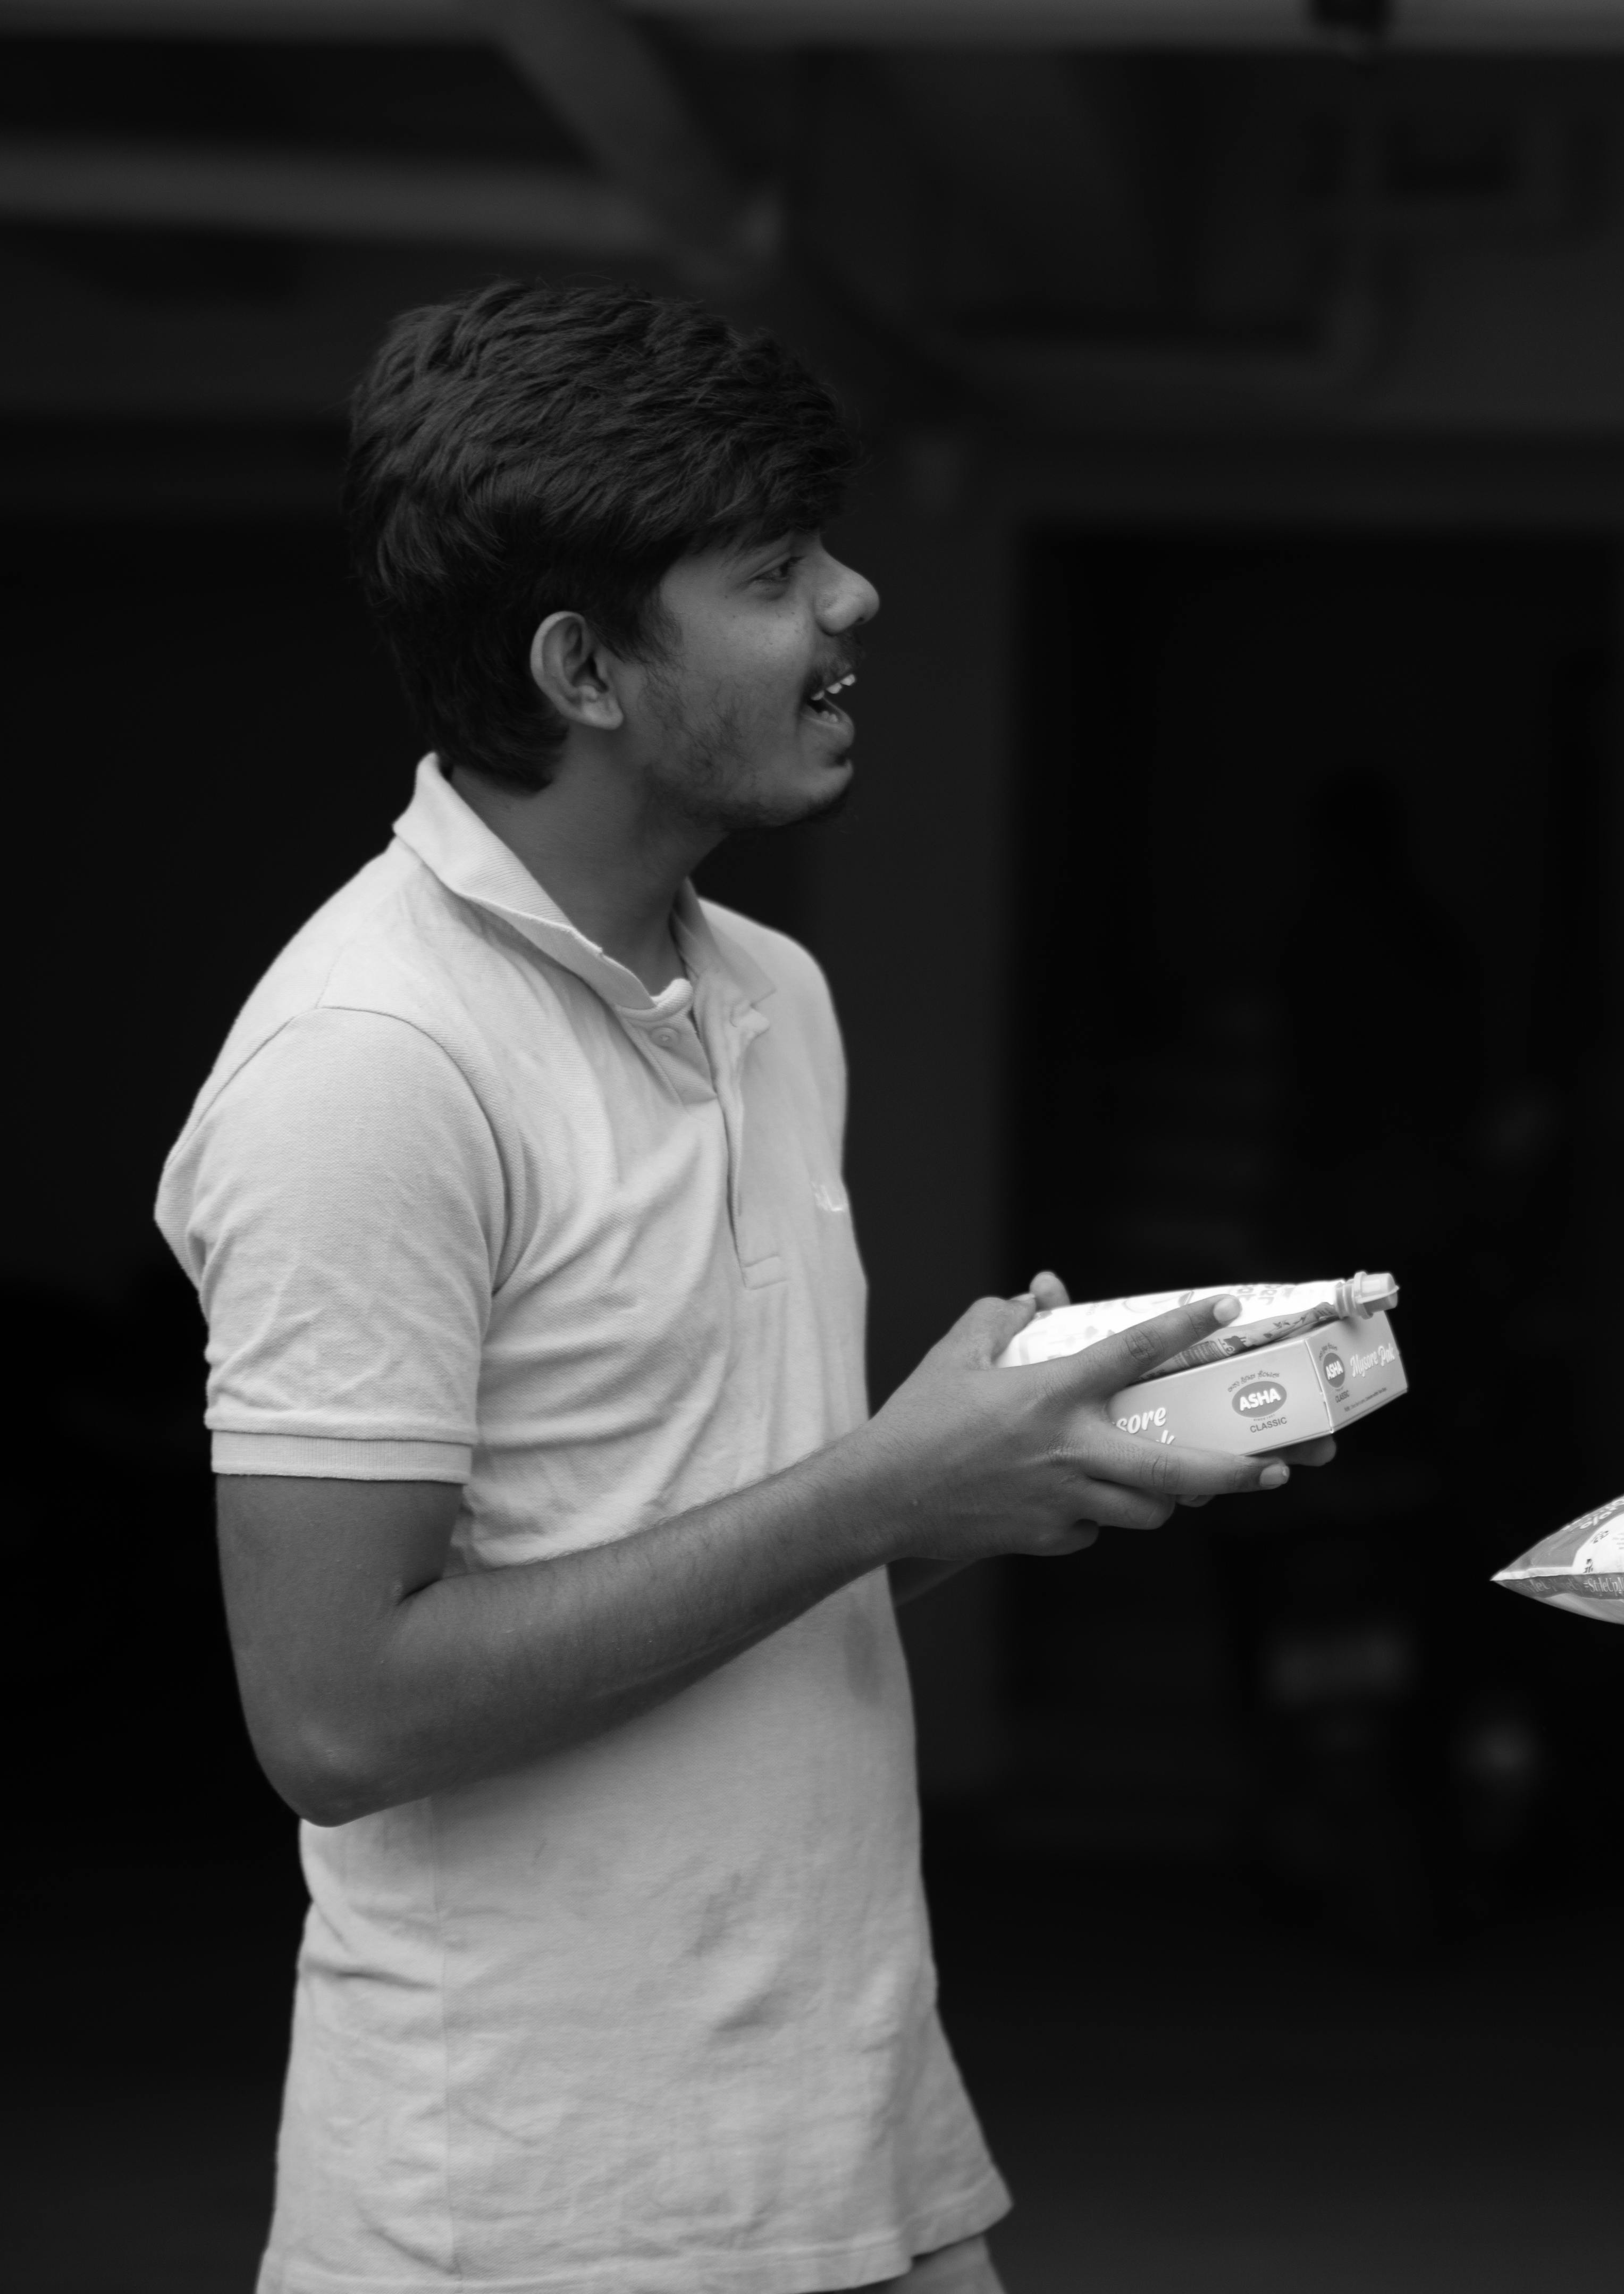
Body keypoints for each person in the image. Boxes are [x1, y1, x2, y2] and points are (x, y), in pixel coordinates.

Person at [157, 280, 1320, 2294]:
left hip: (855, 2162)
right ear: (582, 669)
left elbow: (704, 1553)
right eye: (777, 573)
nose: (858, 600)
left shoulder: (774, 993)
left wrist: (988, 1477)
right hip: (528, 2221)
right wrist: (881, 1490)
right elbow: (334, 1715)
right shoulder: (370, 1064)